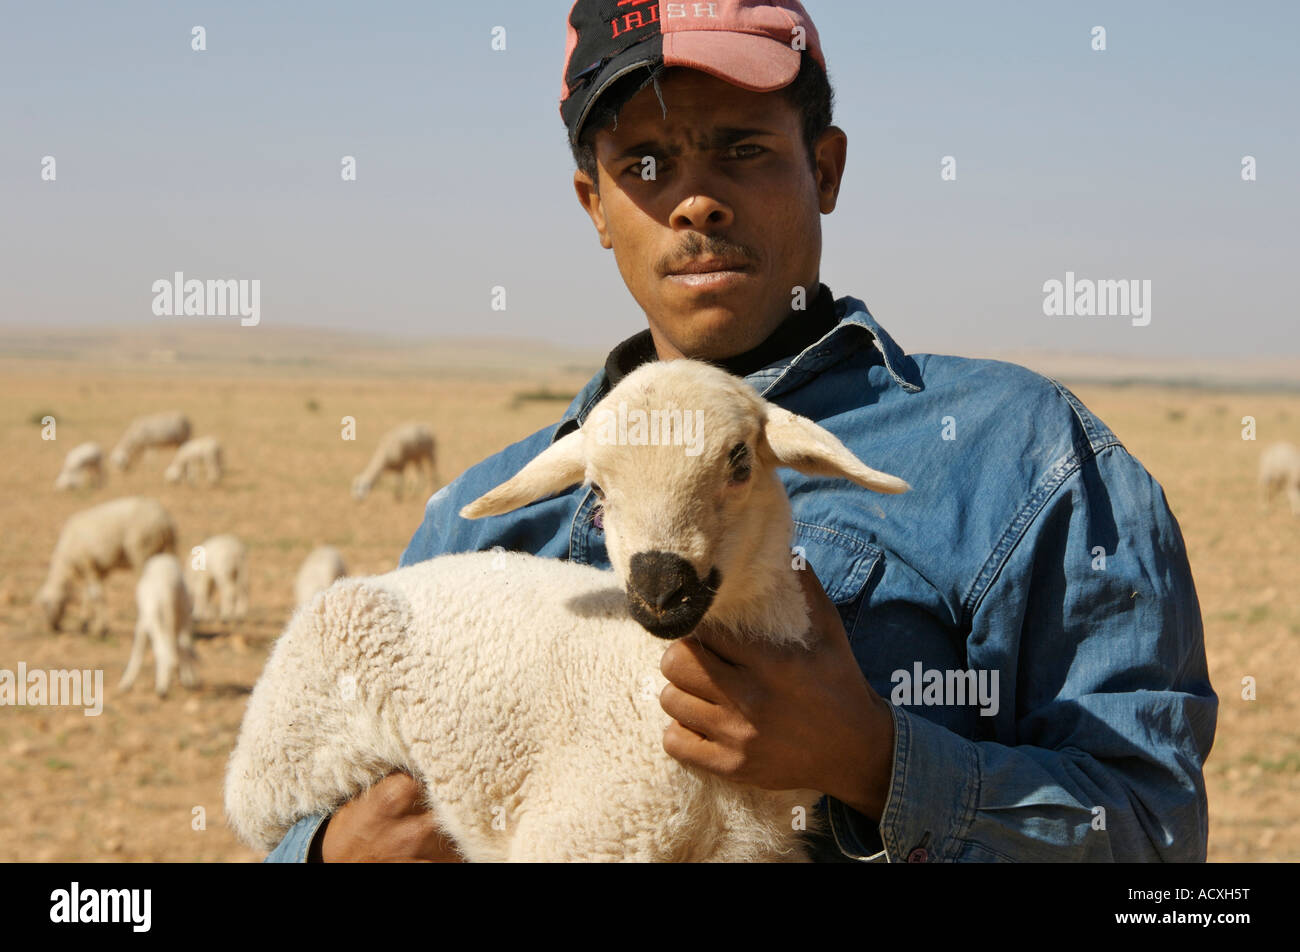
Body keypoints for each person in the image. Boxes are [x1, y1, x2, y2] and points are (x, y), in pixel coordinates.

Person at [266, 0, 1216, 863]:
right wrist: (331, 854)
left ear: (826, 168)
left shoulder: (1019, 457)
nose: (696, 200)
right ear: (594, 204)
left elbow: (1158, 848)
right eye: (645, 164)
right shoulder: (484, 524)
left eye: (744, 149)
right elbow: (310, 807)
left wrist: (876, 764)